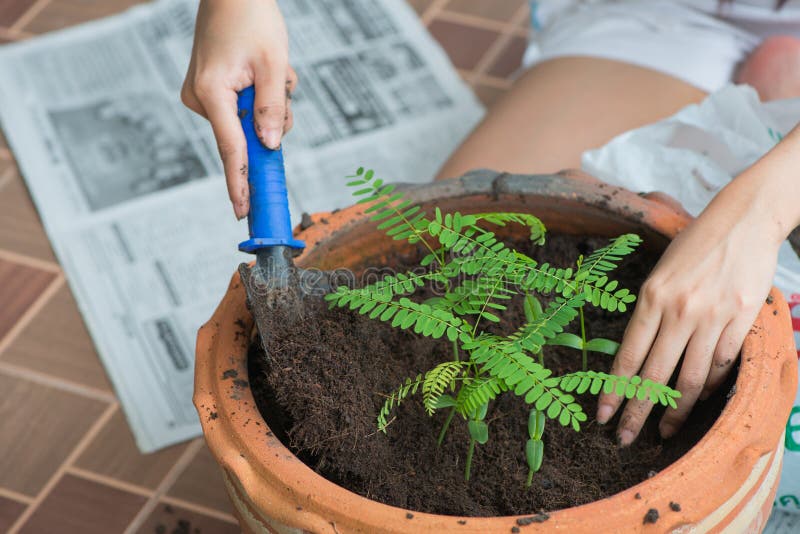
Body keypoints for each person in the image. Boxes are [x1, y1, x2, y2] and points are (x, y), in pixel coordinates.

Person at [181, 0, 800, 448]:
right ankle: (771, 87)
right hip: (662, 15)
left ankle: (776, 89)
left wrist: (757, 212)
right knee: (444, 238)